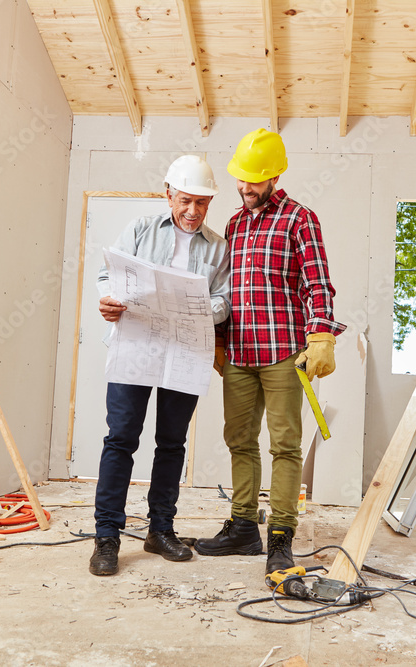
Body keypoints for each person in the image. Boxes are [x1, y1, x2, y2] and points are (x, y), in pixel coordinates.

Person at [195, 129, 346, 574]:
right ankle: (243, 526)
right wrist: (221, 343)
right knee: (239, 441)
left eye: (255, 180)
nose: (245, 188)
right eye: (241, 179)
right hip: (240, 353)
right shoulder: (235, 224)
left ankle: (280, 535)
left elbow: (318, 283)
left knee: (285, 445)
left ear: (276, 176)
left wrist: (321, 334)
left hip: (283, 352)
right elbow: (226, 288)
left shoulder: (300, 219)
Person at [89, 155, 230, 576]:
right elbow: (106, 277)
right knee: (120, 440)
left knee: (172, 444)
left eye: (202, 203)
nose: (193, 211)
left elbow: (225, 299)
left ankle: (160, 530)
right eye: (186, 200)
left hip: (185, 352)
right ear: (168, 194)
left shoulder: (218, 246)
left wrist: (204, 309)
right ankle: (107, 536)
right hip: (136, 345)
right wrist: (109, 301)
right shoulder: (139, 230)